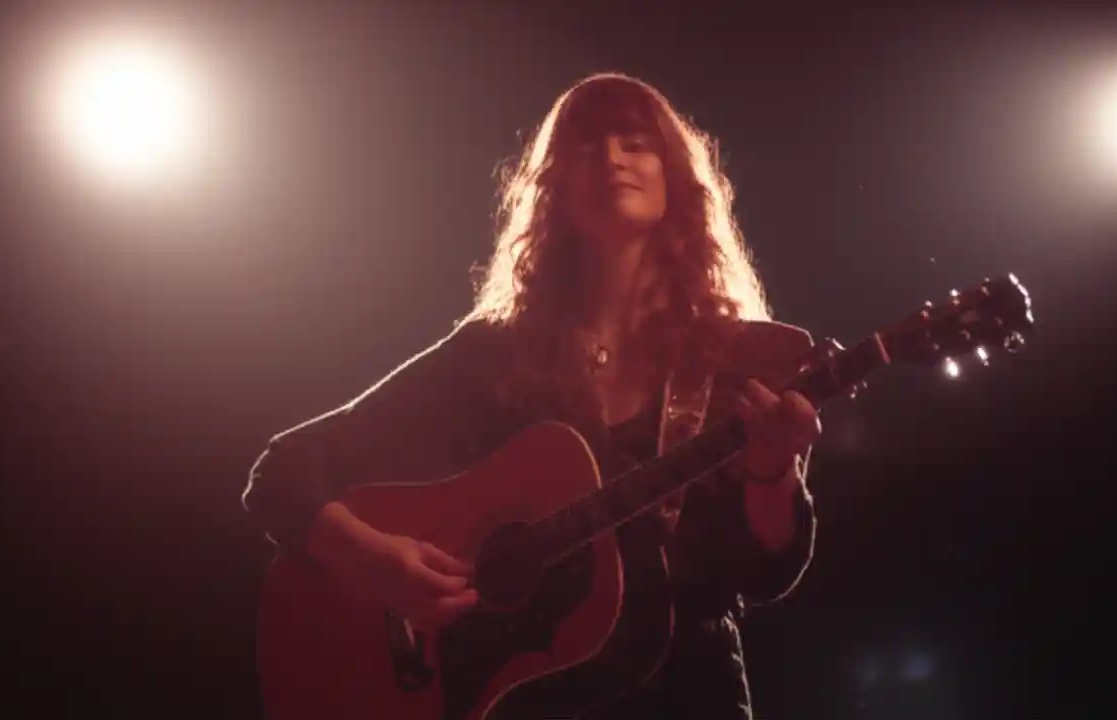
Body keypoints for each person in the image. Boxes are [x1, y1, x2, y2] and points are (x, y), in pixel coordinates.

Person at [243, 71, 822, 719]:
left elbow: (763, 577)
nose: (611, 159)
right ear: (554, 191)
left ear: (676, 180)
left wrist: (772, 474)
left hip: (688, 695)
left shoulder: (747, 359)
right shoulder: (495, 354)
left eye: (634, 143)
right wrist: (375, 560)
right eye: (585, 148)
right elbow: (283, 473)